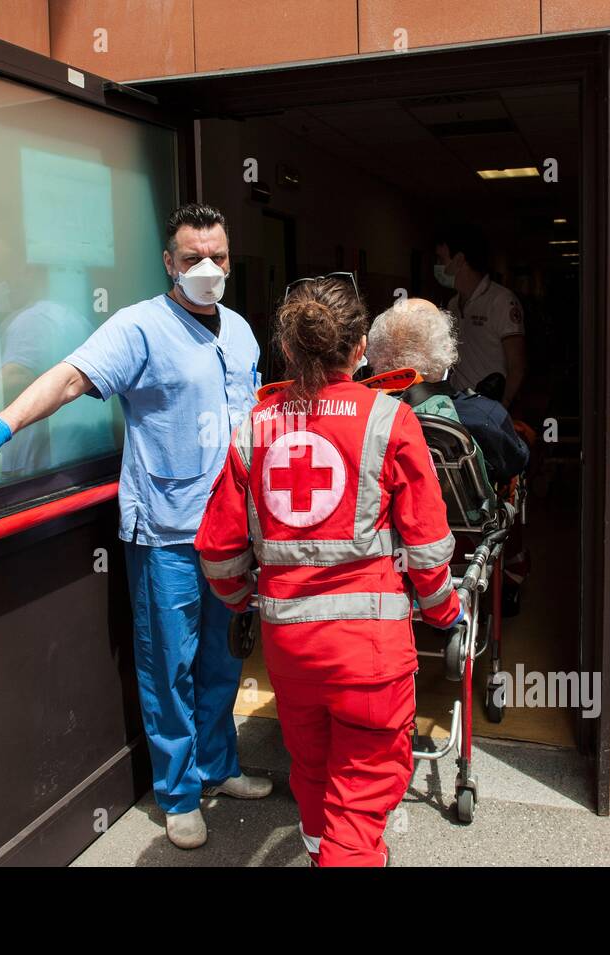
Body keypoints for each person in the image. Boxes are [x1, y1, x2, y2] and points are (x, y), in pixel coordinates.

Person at [0, 203, 272, 850]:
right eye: (192, 257)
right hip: (167, 532)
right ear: (168, 263)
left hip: (230, 532)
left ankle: (219, 765)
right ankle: (178, 794)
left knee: (224, 657)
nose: (207, 267)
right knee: (169, 665)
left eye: (218, 256)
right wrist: (3, 424)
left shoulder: (242, 332)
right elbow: (68, 378)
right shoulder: (139, 327)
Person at [195, 275, 465, 867]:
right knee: (361, 799)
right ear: (361, 347)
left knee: (313, 774)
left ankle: (321, 852)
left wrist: (243, 599)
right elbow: (426, 546)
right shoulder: (391, 420)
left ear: (288, 349)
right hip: (370, 656)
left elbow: (217, 551)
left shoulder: (255, 426)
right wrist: (445, 610)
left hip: (290, 651)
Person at [368, 297, 529, 484]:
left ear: (374, 352)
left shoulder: (359, 414)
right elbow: (516, 462)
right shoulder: (482, 417)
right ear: (447, 350)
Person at [434, 228, 526, 408]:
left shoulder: (501, 301)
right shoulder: (453, 304)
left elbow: (517, 366)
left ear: (459, 260)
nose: (437, 266)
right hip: (458, 405)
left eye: (441, 259)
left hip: (490, 407)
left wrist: (501, 408)